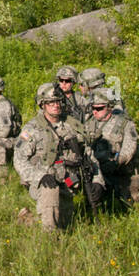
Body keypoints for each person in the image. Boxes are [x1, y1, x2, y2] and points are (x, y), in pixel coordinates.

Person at [14, 82, 101, 231]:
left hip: (68, 182)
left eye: (58, 101)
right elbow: (19, 159)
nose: (55, 105)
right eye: (50, 102)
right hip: (44, 182)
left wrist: (98, 181)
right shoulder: (33, 128)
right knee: (51, 214)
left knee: (64, 224)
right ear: (42, 105)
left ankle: (27, 218)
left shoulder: (72, 125)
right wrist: (40, 176)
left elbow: (89, 155)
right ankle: (50, 243)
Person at [85, 87, 139, 205]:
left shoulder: (125, 123)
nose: (95, 112)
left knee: (131, 198)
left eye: (99, 108)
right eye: (93, 108)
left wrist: (116, 162)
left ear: (109, 107)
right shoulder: (89, 123)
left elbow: (129, 148)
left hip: (120, 169)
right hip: (97, 168)